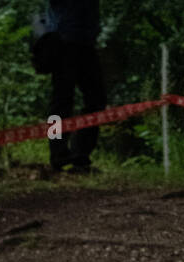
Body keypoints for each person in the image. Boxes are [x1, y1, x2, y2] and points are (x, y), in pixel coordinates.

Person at [45, 1, 106, 173]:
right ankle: (58, 152)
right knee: (61, 102)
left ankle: (80, 154)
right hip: (63, 42)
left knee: (95, 100)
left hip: (85, 42)